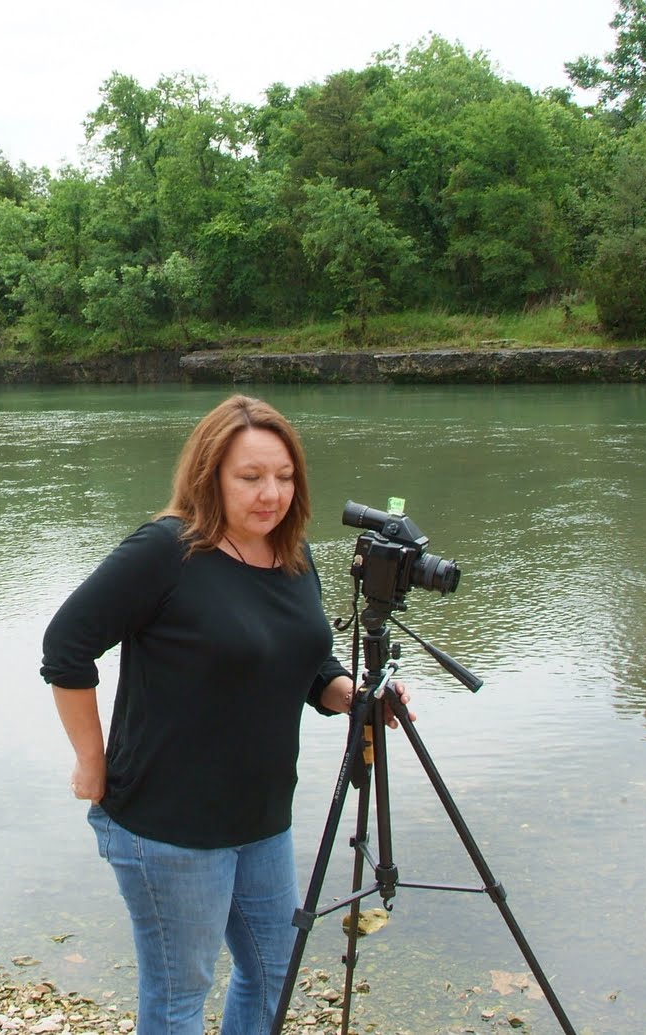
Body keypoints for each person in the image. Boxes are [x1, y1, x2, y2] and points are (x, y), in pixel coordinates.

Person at [40, 394, 409, 1035]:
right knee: (181, 996)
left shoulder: (292, 555)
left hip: (262, 818)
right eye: (251, 477)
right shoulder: (167, 551)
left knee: (275, 972)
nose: (272, 494)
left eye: (285, 477)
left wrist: (347, 693)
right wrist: (91, 762)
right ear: (209, 476)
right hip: (170, 825)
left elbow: (303, 658)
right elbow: (65, 647)